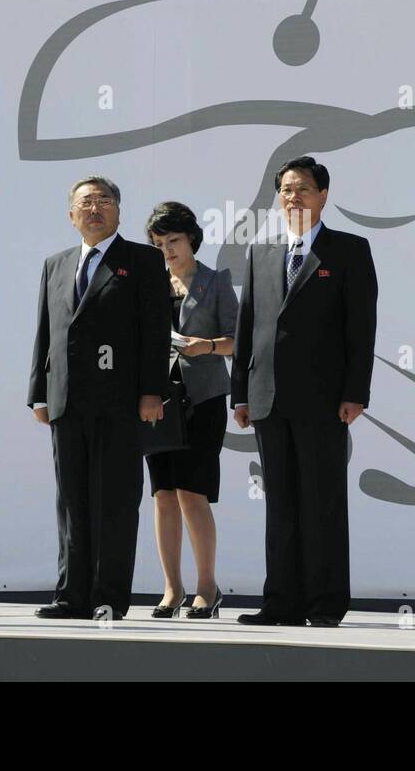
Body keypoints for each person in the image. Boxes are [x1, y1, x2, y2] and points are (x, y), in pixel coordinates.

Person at [231, 156, 378, 628]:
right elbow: (247, 323)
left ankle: (325, 603)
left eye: (304, 189)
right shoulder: (262, 250)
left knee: (322, 502)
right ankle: (281, 603)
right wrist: (240, 393)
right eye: (287, 189)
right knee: (281, 505)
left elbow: (361, 329)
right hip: (268, 396)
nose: (293, 197)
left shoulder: (350, 250)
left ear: (324, 196)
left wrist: (355, 392)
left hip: (324, 399)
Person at [29, 177, 170, 620]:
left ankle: (108, 596)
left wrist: (152, 392)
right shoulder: (57, 263)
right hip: (67, 400)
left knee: (115, 499)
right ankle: (71, 594)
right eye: (85, 203)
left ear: (118, 212)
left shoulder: (143, 260)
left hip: (121, 400)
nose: (94, 209)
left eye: (104, 201)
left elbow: (154, 330)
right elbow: (45, 333)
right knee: (70, 499)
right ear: (71, 215)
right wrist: (39, 393)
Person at [144, 202, 236, 619]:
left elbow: (238, 341)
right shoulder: (148, 284)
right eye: (159, 243)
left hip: (204, 398)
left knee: (192, 493)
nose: (167, 249)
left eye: (174, 241)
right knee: (163, 495)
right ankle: (171, 589)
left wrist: (207, 346)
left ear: (192, 239)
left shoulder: (217, 283)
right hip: (159, 400)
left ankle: (207, 587)